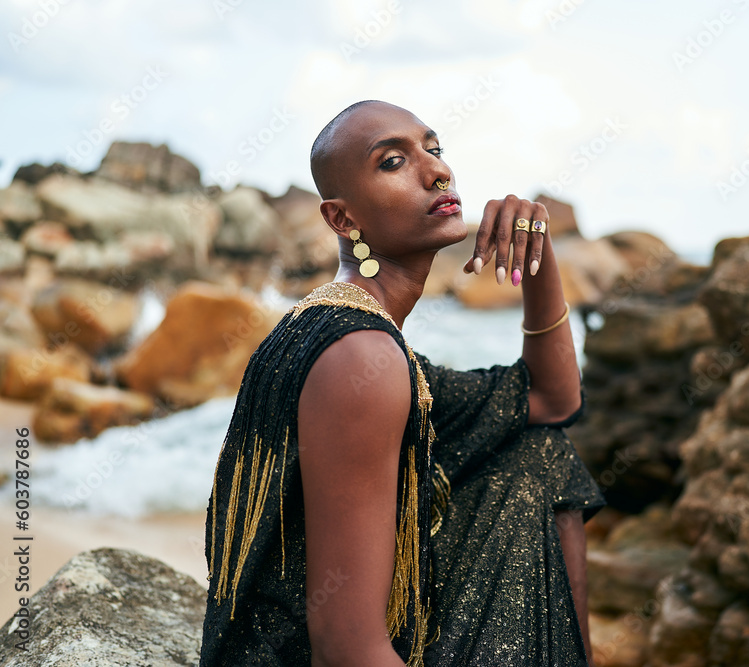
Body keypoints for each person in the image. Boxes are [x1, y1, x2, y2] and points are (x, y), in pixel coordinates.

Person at [199, 100, 606, 666]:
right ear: (342, 219)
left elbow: (550, 399)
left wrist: (539, 259)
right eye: (392, 162)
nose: (438, 171)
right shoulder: (358, 357)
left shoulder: (356, 333)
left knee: (539, 452)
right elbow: (346, 650)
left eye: (433, 149)